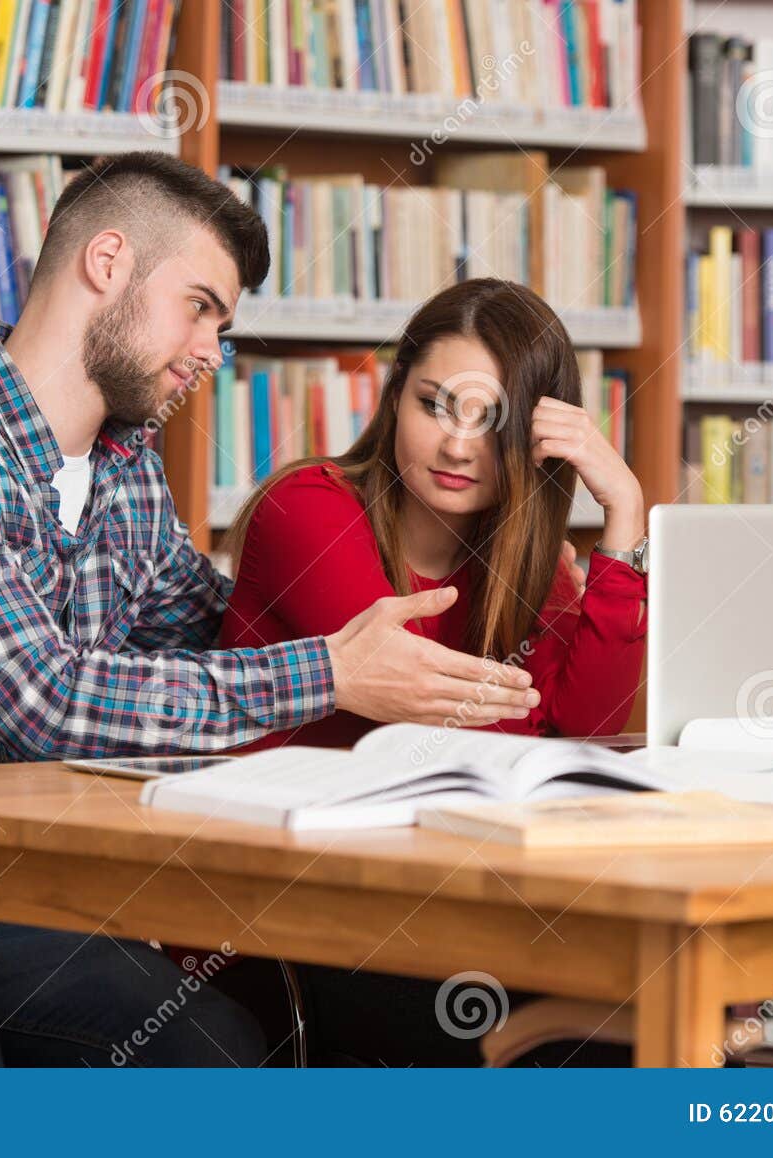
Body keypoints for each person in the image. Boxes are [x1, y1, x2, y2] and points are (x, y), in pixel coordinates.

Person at [0, 153, 541, 1068]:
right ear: (108, 262)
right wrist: (329, 670)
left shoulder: (126, 474)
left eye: (223, 324)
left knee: (216, 1050)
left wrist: (449, 548)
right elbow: (45, 701)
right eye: (201, 306)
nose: (214, 350)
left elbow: (222, 638)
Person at [218, 277, 649, 1064]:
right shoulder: (307, 510)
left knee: (659, 1032)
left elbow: (584, 732)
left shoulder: (525, 562)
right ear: (393, 398)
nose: (457, 445)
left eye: (493, 423)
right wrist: (535, 725)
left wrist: (622, 513)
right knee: (573, 1046)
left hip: (449, 910)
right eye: (435, 404)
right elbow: (445, 714)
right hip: (286, 919)